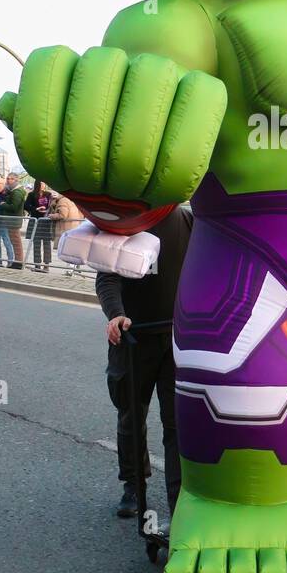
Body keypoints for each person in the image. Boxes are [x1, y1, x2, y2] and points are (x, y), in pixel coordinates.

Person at [95, 206, 192, 520]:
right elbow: (107, 279)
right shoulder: (125, 221)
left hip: (178, 338)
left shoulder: (188, 220)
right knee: (131, 416)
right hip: (133, 337)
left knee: (176, 422)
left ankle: (180, 499)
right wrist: (115, 314)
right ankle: (134, 486)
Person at [0, 173, 26, 269]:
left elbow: (14, 207)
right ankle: (17, 261)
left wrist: (3, 204)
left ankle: (19, 262)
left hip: (14, 220)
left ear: (16, 180)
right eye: (8, 178)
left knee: (16, 242)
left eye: (11, 179)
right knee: (15, 241)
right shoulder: (13, 190)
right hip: (12, 220)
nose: (9, 180)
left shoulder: (17, 192)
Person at [24, 180, 52, 270]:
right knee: (36, 243)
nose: (43, 185)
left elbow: (52, 206)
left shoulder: (48, 194)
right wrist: (36, 208)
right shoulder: (31, 195)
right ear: (37, 184)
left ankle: (46, 264)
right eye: (41, 184)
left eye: (44, 183)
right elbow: (26, 206)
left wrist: (47, 209)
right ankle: (37, 264)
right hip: (36, 220)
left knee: (47, 243)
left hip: (46, 221)